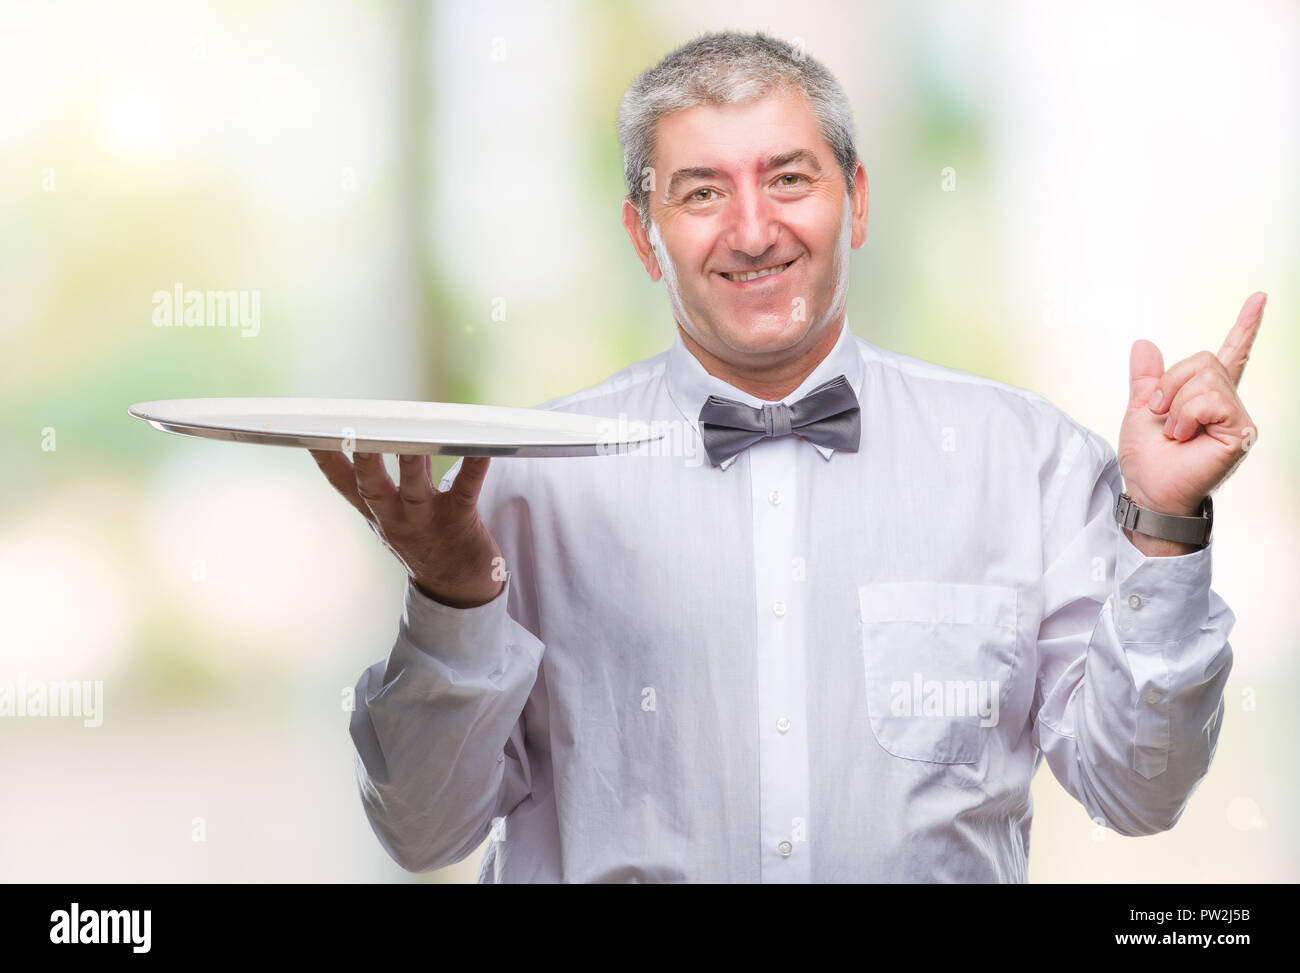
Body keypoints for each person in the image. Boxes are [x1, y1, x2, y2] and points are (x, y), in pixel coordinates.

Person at [312, 30, 1263, 882]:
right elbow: (422, 833)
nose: (754, 229)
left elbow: (1138, 793)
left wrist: (1166, 530)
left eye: (790, 178)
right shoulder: (526, 479)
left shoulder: (1030, 462)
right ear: (646, 234)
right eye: (703, 191)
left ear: (853, 201)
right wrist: (450, 598)